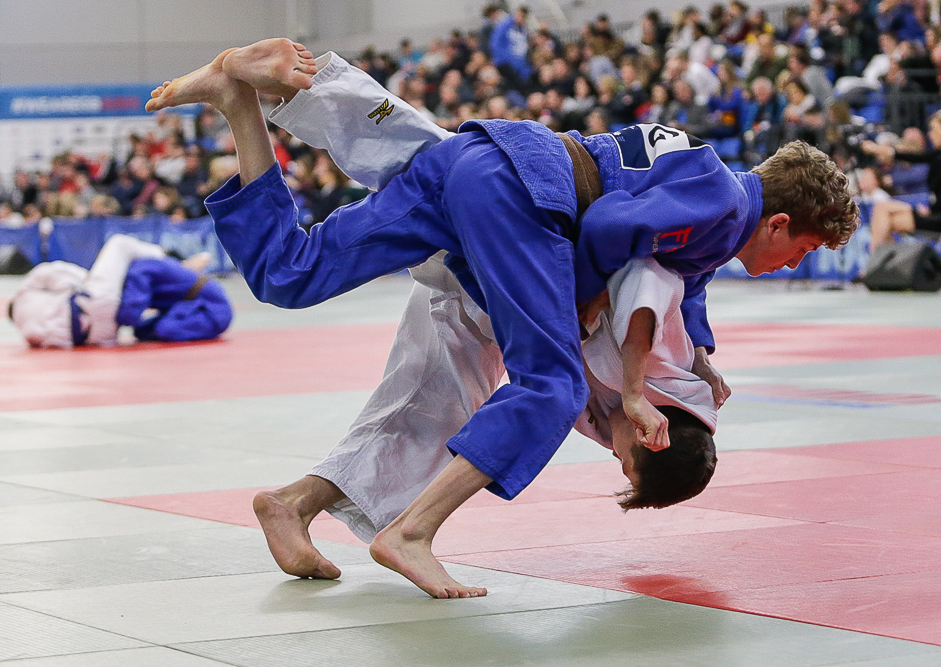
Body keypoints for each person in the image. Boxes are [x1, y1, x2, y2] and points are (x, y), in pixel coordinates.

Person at [145, 38, 856, 598]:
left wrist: (699, 349)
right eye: (803, 250)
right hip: (527, 193)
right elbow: (611, 223)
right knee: (551, 385)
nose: (793, 264)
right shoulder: (726, 209)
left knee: (289, 275)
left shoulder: (714, 197)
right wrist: (585, 301)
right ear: (783, 221)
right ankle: (412, 532)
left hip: (476, 162)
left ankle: (237, 102)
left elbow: (685, 279)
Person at [9, 234, 233, 348]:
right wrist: (84, 284)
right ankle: (172, 256)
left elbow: (130, 314)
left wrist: (132, 320)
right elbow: (54, 273)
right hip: (95, 304)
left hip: (97, 336)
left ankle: (179, 262)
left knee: (158, 328)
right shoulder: (26, 291)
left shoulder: (29, 331)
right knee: (119, 243)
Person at [862, 110, 941, 251]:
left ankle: (873, 267)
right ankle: (881, 266)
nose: (930, 134)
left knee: (885, 214)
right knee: (882, 212)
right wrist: (876, 149)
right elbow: (910, 156)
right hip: (933, 214)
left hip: (937, 219)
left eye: (934, 129)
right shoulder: (936, 155)